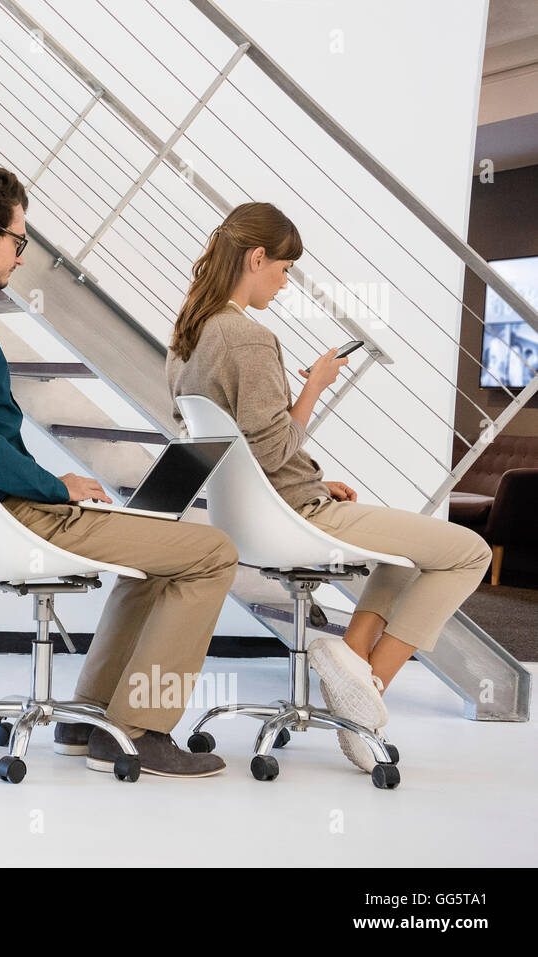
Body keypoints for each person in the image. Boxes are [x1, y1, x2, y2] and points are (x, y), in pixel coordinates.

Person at [0, 166, 237, 778]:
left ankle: (86, 718)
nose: (21, 258)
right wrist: (57, 487)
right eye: (19, 242)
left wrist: (42, 486)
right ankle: (140, 730)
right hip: (16, 515)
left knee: (159, 549)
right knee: (213, 552)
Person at [165, 201, 491, 771]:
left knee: (407, 555)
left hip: (257, 512)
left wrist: (311, 475)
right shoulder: (247, 338)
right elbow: (269, 449)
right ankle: (367, 701)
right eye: (284, 269)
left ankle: (349, 658)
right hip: (295, 512)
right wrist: (314, 386)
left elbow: (238, 450)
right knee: (469, 552)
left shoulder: (186, 337)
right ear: (256, 257)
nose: (285, 284)